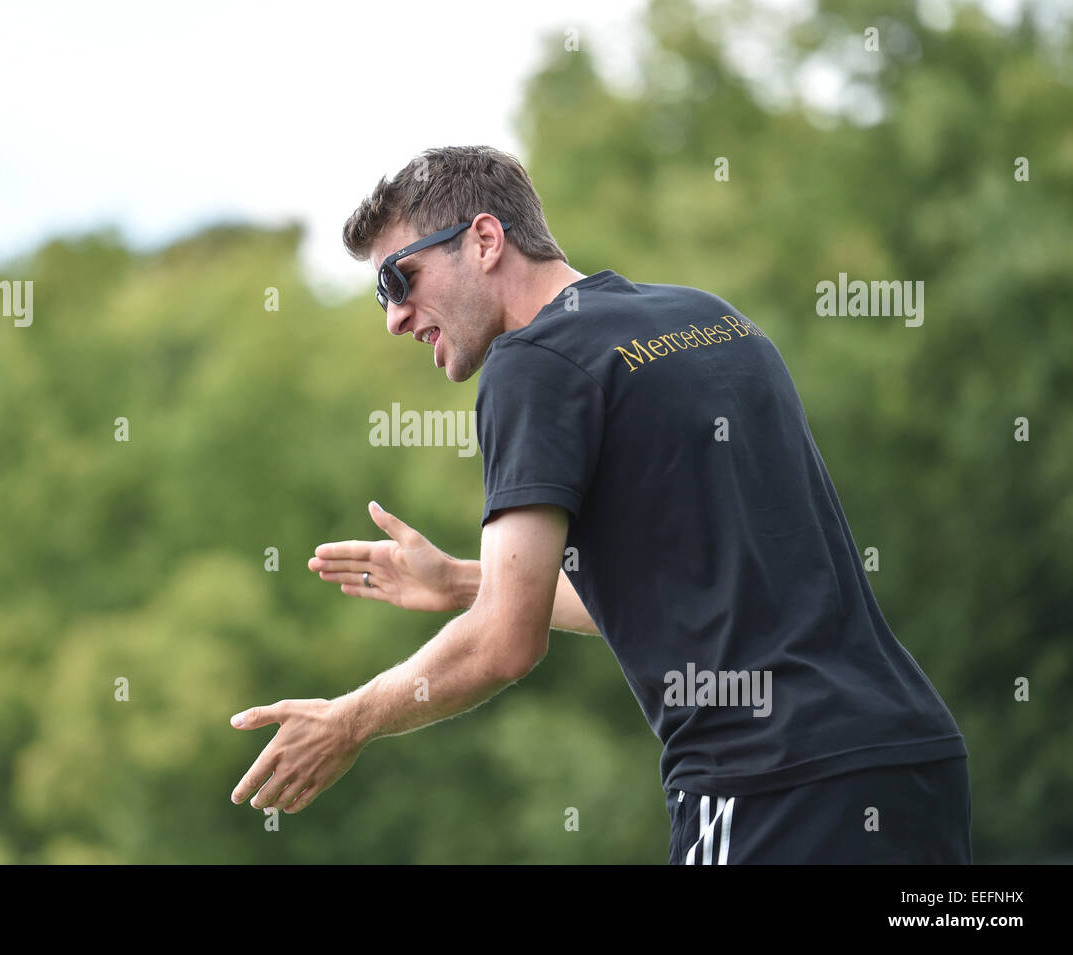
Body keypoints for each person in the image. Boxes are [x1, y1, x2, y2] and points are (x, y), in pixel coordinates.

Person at [230, 145, 971, 864]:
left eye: (400, 277)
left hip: (772, 786)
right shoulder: (714, 320)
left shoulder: (532, 363)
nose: (394, 315)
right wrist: (465, 580)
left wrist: (347, 720)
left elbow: (503, 644)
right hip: (911, 761)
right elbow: (691, 586)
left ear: (485, 239)